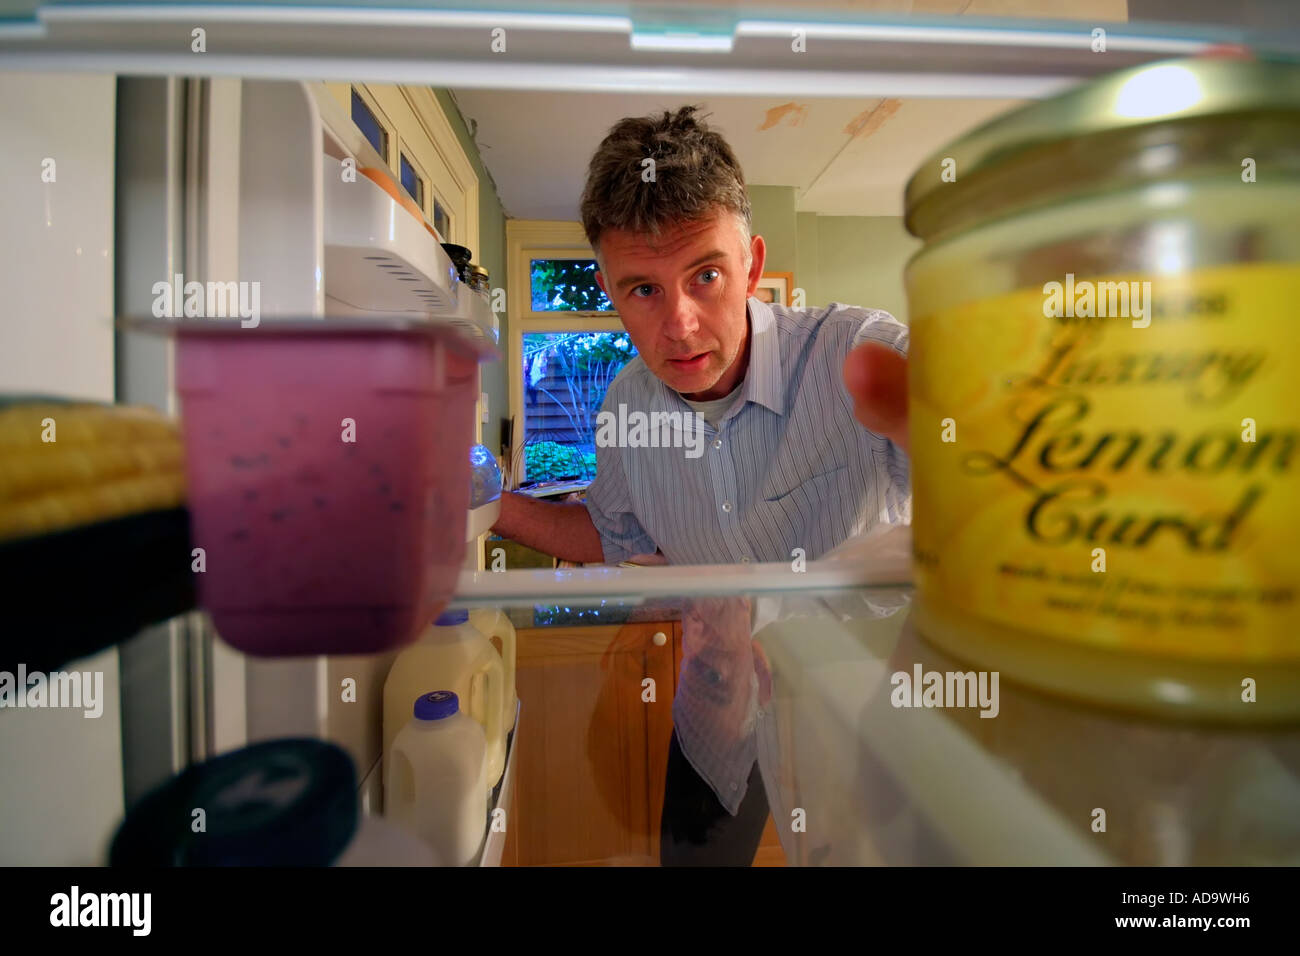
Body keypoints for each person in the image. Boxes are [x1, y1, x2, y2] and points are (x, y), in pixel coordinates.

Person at [492, 104, 910, 865]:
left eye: (705, 275)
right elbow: (613, 533)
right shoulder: (623, 406)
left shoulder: (852, 352)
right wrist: (489, 507)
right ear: (610, 292)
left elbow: (983, 445)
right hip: (712, 722)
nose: (679, 325)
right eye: (642, 290)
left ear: (750, 265)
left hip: (853, 719)